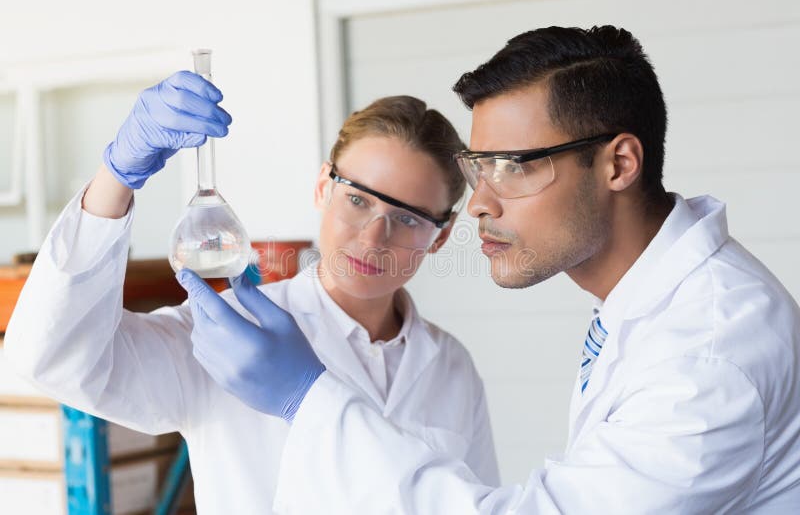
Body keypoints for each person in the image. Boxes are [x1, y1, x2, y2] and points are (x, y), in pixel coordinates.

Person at [175, 25, 800, 513]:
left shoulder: (707, 355)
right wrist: (125, 182)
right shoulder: (651, 299)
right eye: (480, 168)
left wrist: (307, 399)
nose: (479, 203)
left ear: (618, 165)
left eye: (513, 166)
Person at [4, 79, 501, 512]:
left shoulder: (452, 368)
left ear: (440, 236)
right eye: (356, 199)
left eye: (408, 218)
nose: (373, 238)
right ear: (323, 188)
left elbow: (474, 504)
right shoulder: (227, 333)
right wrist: (116, 177)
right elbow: (53, 357)